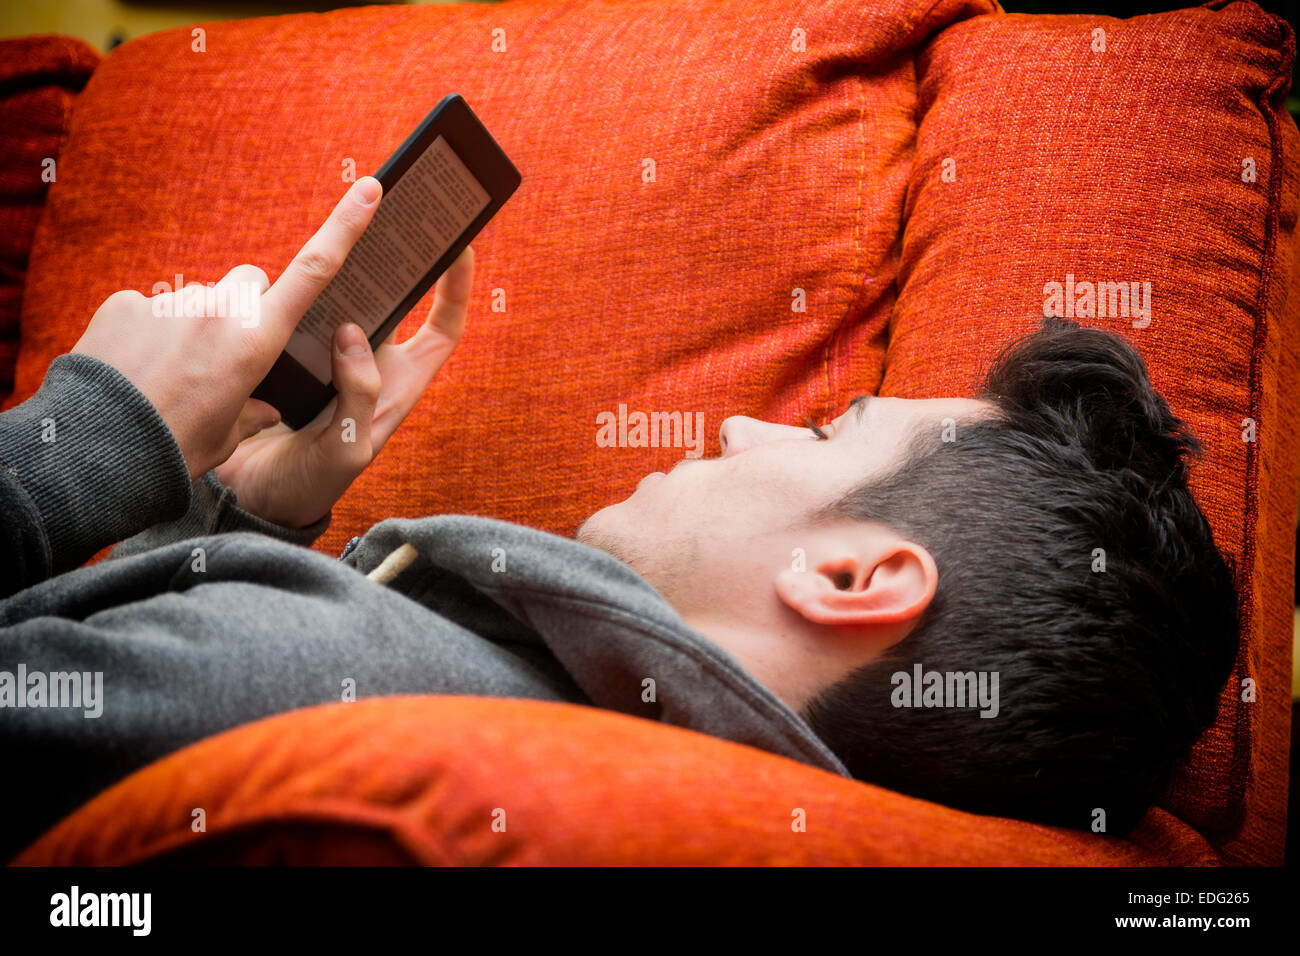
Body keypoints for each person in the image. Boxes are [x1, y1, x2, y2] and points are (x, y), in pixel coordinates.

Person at [0, 177, 1238, 860]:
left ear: (858, 579)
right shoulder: (495, 699)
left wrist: (96, 436)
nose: (749, 428)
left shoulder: (328, 686)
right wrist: (247, 512)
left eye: (822, 434)